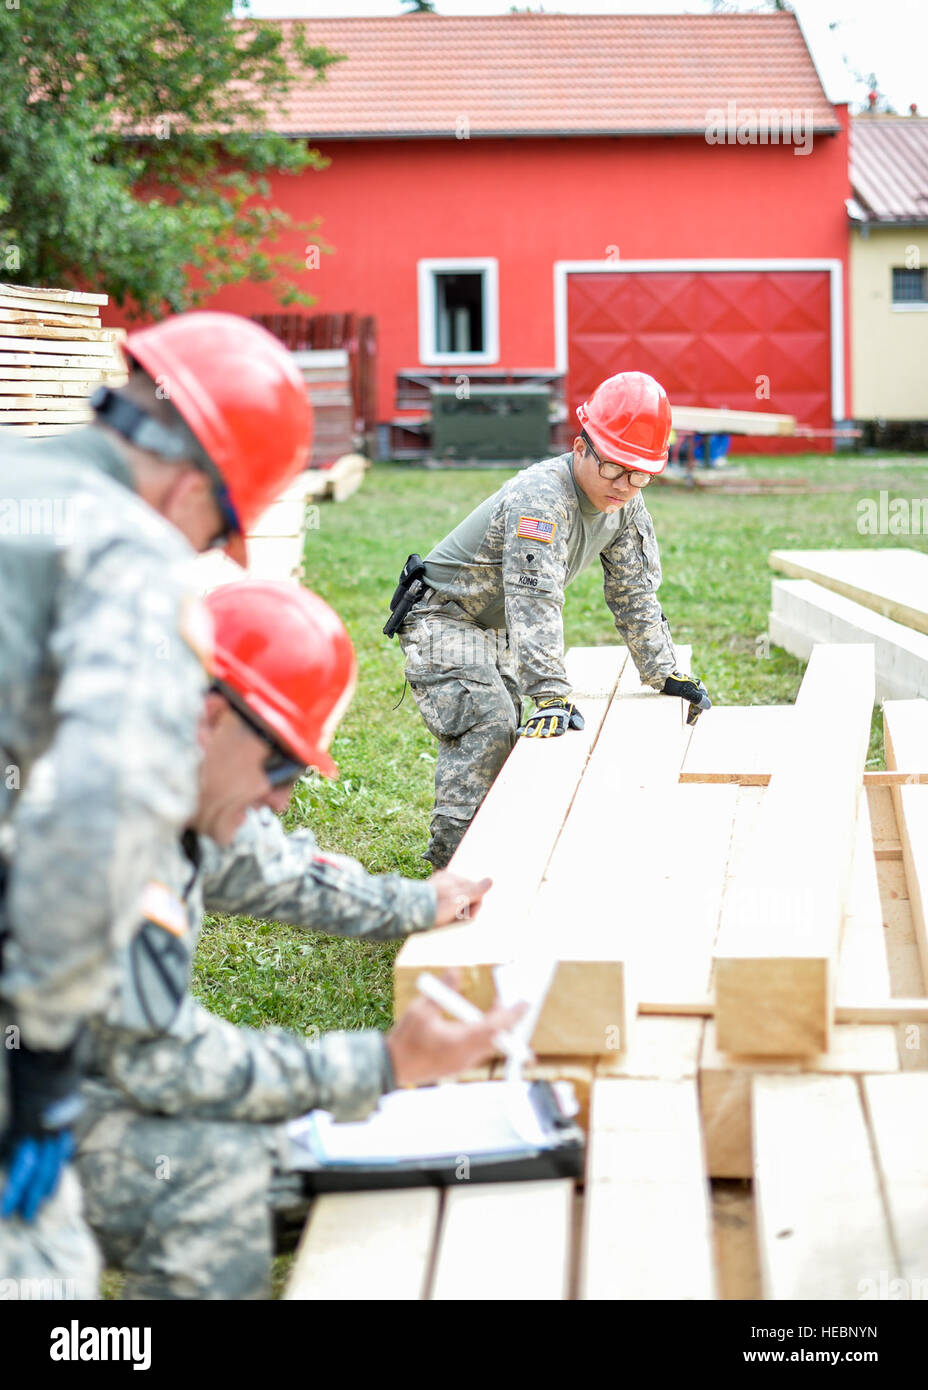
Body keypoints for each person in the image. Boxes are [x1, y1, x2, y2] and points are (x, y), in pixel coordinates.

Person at [75, 581, 514, 1300]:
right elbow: (166, 1063)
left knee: (285, 1165)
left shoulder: (164, 774)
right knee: (221, 1181)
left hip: (65, 1081)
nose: (282, 798)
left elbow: (276, 870)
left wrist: (414, 901)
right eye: (279, 766)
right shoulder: (93, 841)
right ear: (210, 718)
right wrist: (381, 1063)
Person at [0, 312, 312, 1297]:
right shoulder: (124, 549)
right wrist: (44, 1054)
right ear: (191, 490)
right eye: (216, 537)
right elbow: (103, 802)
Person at [385, 371, 712, 869]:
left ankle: (507, 857)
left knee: (527, 735)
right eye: (614, 469)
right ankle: (453, 868)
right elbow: (532, 597)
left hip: (496, 629)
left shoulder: (625, 504)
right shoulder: (541, 498)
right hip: (443, 620)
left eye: (641, 473)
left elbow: (633, 591)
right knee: (488, 722)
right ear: (581, 447)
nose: (625, 486)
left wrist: (664, 670)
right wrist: (550, 691)